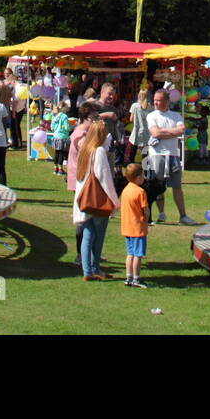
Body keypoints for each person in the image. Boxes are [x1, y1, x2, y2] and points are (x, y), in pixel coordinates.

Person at [73, 121, 118, 281]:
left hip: (84, 199)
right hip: (97, 199)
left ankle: (87, 271)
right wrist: (114, 201)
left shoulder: (84, 149)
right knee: (98, 236)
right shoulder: (98, 151)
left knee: (87, 234)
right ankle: (95, 268)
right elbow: (104, 178)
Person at [145, 89, 196, 225]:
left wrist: (164, 132)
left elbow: (181, 129)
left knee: (177, 186)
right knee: (158, 186)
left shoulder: (176, 115)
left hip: (173, 154)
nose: (155, 102)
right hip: (157, 154)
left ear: (166, 101)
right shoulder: (151, 116)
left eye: (158, 100)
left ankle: (183, 216)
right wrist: (172, 132)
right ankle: (161, 214)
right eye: (154, 100)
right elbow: (155, 133)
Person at [120, 163, 149, 288]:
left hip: (127, 227)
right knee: (138, 254)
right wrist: (146, 219)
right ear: (138, 177)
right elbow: (145, 210)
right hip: (137, 228)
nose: (144, 177)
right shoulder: (140, 192)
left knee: (130, 253)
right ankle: (136, 278)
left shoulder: (125, 190)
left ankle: (128, 276)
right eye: (143, 175)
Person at [50, 104, 72, 176]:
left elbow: (52, 127)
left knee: (56, 152)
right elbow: (67, 127)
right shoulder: (64, 117)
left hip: (55, 136)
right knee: (61, 153)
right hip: (62, 137)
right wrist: (70, 128)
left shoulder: (55, 116)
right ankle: (60, 169)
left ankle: (55, 168)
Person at [129, 89, 151, 159]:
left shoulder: (134, 106)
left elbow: (131, 119)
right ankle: (145, 167)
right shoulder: (150, 107)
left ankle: (130, 164)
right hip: (146, 131)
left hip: (136, 131)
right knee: (145, 152)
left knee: (133, 150)